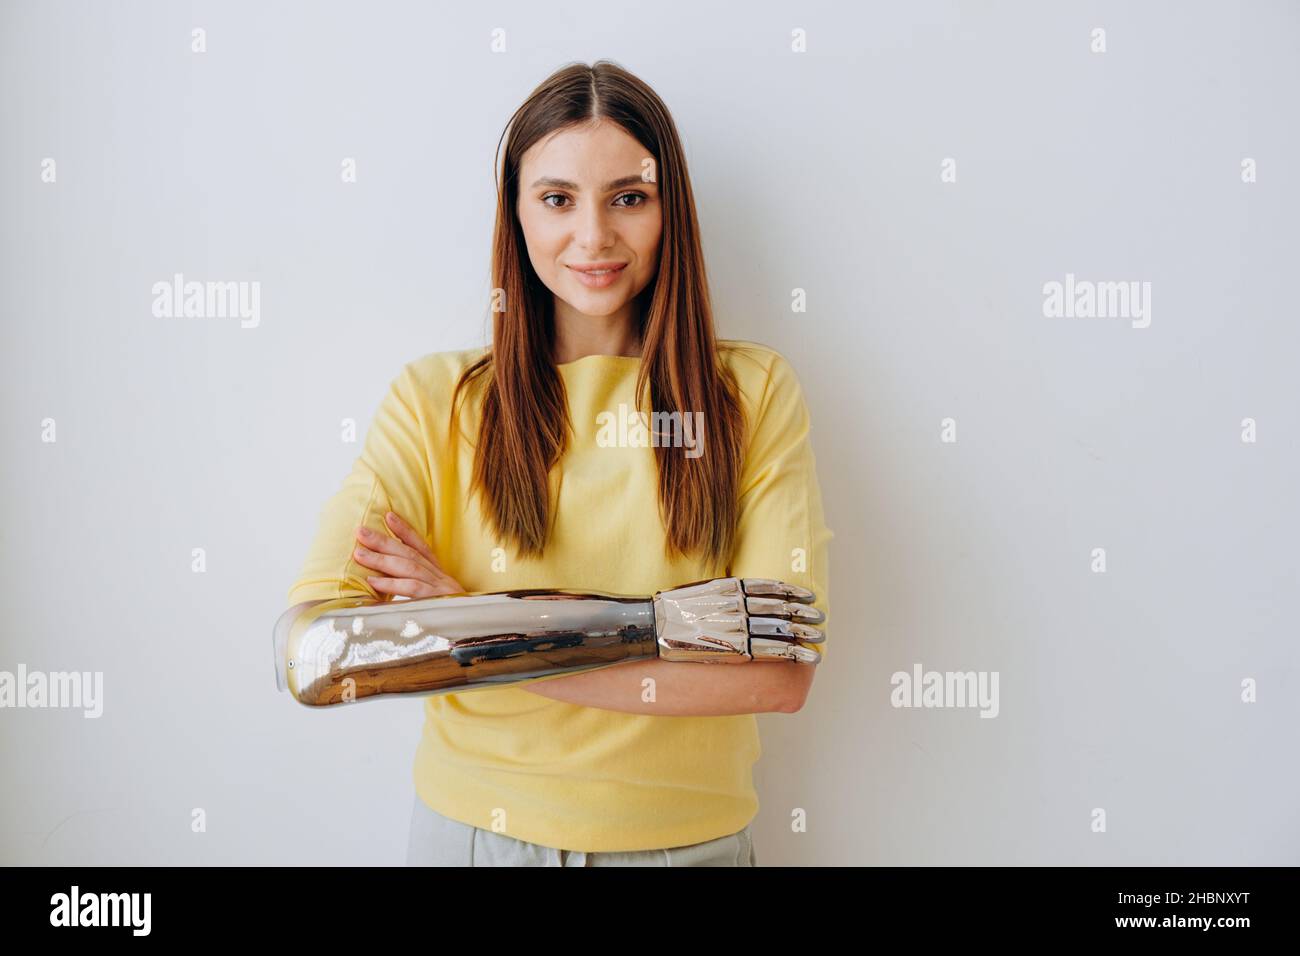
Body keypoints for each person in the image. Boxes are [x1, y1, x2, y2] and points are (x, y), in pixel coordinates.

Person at [280, 59, 833, 866]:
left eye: (629, 198)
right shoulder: (436, 401)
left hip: (693, 851)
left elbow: (778, 675)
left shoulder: (751, 394)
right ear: (517, 215)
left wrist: (468, 622)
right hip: (478, 843)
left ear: (668, 210)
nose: (594, 236)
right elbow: (319, 655)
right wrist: (663, 628)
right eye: (557, 199)